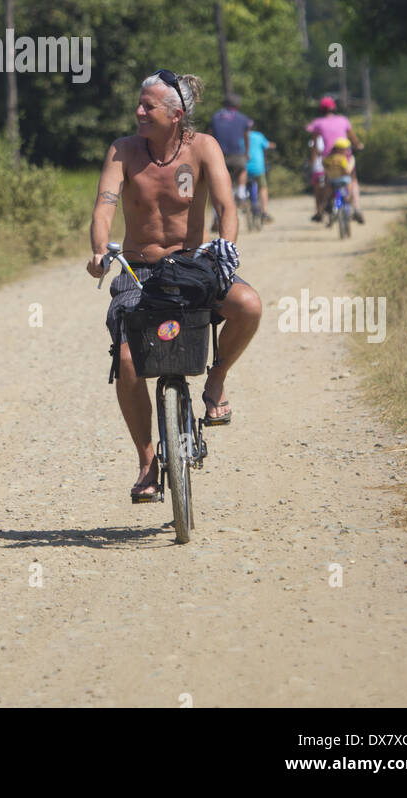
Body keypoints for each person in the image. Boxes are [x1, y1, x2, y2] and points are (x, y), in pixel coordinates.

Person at [88, 71, 261, 502]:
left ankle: (216, 379)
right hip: (139, 271)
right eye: (139, 104)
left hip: (192, 266)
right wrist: (97, 251)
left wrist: (226, 247)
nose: (139, 112)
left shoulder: (203, 147)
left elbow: (226, 205)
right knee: (128, 361)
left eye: (148, 106)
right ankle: (147, 462)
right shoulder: (123, 150)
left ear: (176, 114)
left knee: (248, 305)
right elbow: (104, 205)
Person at [305, 96, 365, 223]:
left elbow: (315, 145)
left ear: (321, 109)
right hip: (345, 157)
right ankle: (357, 209)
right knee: (353, 180)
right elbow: (353, 138)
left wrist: (313, 158)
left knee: (328, 180)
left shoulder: (318, 123)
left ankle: (325, 205)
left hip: (329, 159)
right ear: (334, 108)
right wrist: (358, 145)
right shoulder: (343, 120)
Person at [209, 93, 254, 201]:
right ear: (238, 105)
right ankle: (241, 191)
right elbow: (246, 136)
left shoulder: (215, 117)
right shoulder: (243, 118)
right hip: (236, 153)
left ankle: (218, 209)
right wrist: (247, 153)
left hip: (219, 155)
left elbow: (209, 135)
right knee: (242, 169)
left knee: (221, 179)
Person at [246, 125, 276, 220]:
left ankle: (243, 199)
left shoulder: (239, 136)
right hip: (258, 167)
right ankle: (264, 212)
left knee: (241, 184)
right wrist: (273, 145)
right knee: (263, 188)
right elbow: (267, 145)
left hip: (244, 167)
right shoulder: (258, 136)